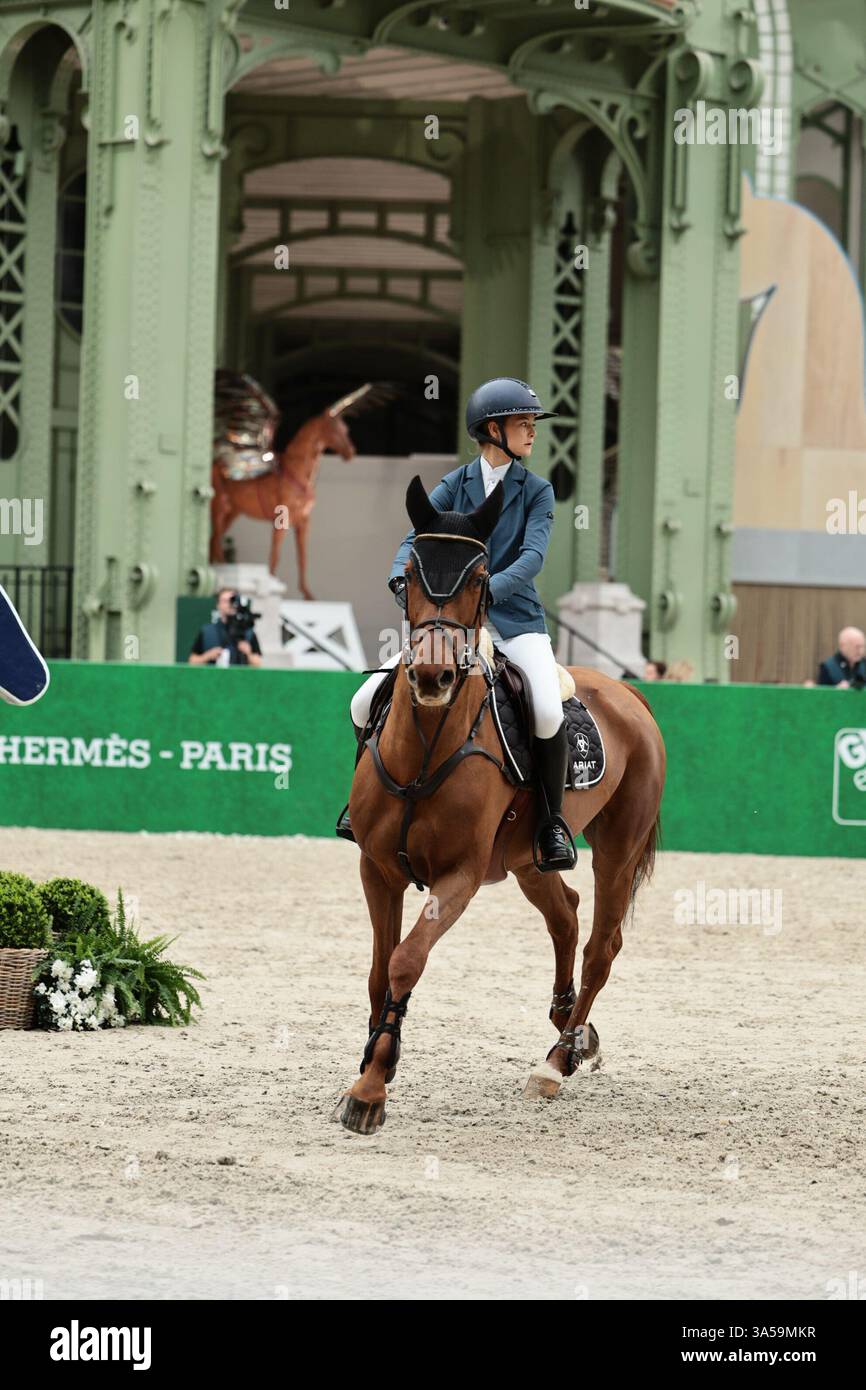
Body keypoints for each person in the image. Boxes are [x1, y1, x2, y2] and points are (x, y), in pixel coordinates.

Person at [336, 376, 577, 874]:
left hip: (514, 619)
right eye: (523, 423)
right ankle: (361, 804)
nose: (532, 432)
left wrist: (491, 590)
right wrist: (398, 579)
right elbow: (413, 538)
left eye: (533, 424)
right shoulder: (455, 485)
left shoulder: (538, 491)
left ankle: (552, 823)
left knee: (549, 712)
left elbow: (532, 557)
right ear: (493, 428)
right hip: (450, 623)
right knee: (363, 701)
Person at [188, 588, 263, 667]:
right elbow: (192, 661)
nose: (229, 604)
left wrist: (248, 653)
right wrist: (207, 656)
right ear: (218, 604)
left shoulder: (247, 632)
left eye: (232, 600)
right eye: (225, 601)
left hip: (240, 677)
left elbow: (258, 663)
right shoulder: (207, 631)